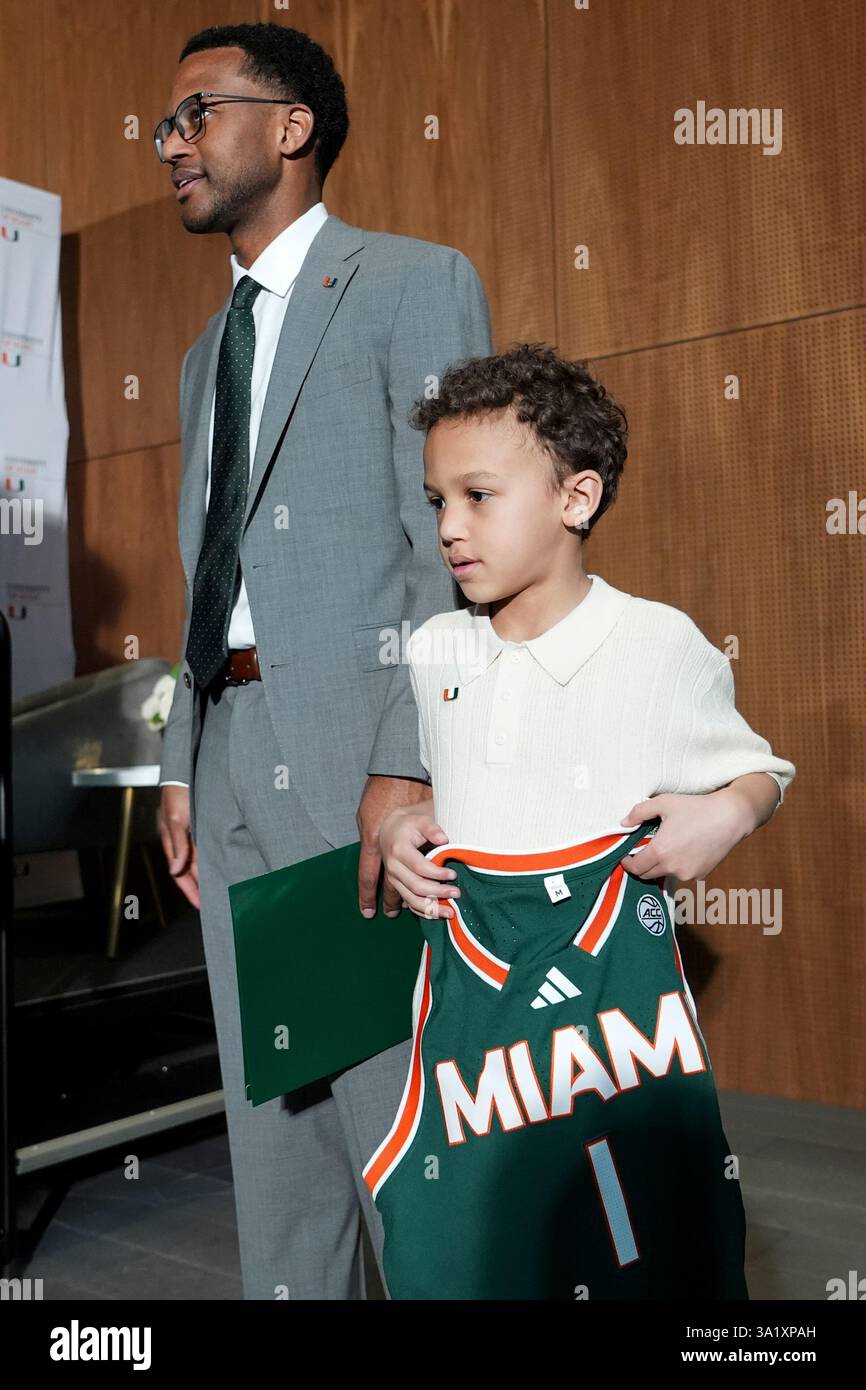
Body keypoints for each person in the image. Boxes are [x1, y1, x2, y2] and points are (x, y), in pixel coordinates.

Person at [155, 21, 492, 1299]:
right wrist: (183, 767)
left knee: (396, 1122)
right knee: (275, 1115)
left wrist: (407, 759)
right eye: (166, 125)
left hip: (360, 757)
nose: (172, 144)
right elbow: (209, 579)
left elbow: (446, 546)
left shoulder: (412, 281)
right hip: (232, 757)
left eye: (197, 113)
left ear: (291, 126)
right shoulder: (202, 358)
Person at [371, 342, 796, 1299]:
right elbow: (458, 788)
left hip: (609, 1039)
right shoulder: (436, 649)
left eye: (479, 496)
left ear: (577, 499)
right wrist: (408, 830)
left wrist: (723, 816)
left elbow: (763, 770)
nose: (449, 527)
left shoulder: (657, 646)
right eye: (438, 500)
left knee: (640, 1249)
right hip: (476, 1037)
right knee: (474, 1251)